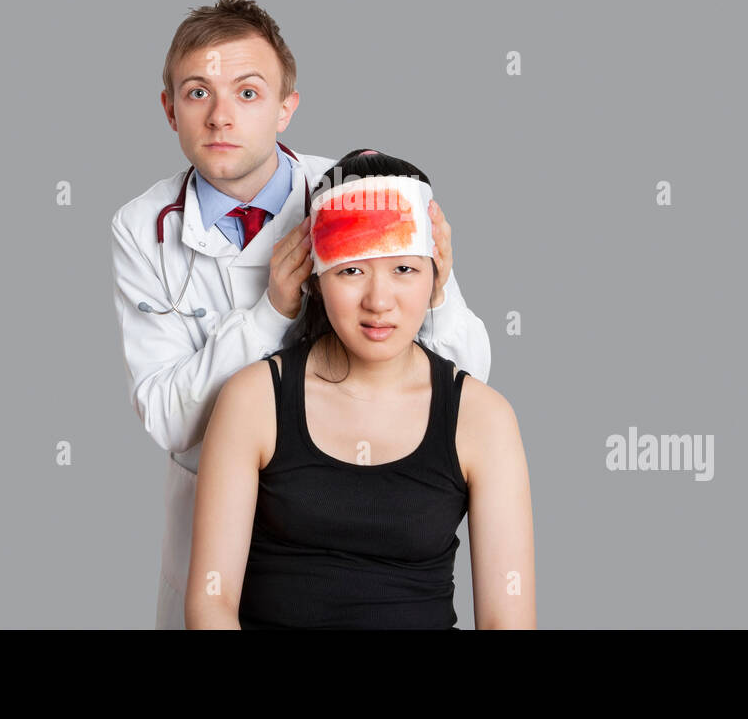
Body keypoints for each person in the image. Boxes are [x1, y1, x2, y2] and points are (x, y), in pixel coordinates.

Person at [110, 0, 492, 629]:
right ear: (169, 109)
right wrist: (269, 315)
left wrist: (442, 291)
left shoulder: (358, 193)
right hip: (222, 532)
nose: (221, 116)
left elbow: (464, 391)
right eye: (198, 93)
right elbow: (170, 419)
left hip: (351, 505)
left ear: (287, 106)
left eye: (249, 93)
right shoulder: (139, 228)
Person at [184, 150, 535, 628]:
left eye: (404, 269)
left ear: (437, 274)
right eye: (352, 269)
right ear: (315, 276)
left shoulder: (485, 418)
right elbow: (211, 604)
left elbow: (507, 620)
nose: (379, 300)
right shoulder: (253, 401)